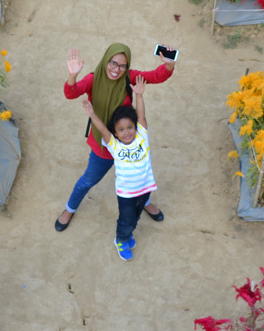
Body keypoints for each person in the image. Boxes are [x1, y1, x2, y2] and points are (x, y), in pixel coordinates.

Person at [56, 42, 176, 231]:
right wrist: (73, 75)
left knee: (139, 177)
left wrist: (169, 63)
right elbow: (71, 93)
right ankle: (70, 208)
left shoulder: (131, 78)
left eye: (122, 66)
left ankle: (145, 202)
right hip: (104, 146)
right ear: (106, 60)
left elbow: (156, 76)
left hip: (130, 143)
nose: (116, 69)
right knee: (89, 180)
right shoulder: (93, 80)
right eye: (113, 63)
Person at [82, 76, 154, 260]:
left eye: (130, 127)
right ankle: (121, 239)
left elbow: (141, 116)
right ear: (116, 133)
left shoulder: (141, 136)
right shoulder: (114, 145)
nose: (127, 132)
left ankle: (128, 234)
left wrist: (138, 96)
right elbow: (103, 131)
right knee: (126, 219)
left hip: (145, 188)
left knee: (136, 216)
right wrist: (92, 114)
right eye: (121, 130)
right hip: (126, 193)